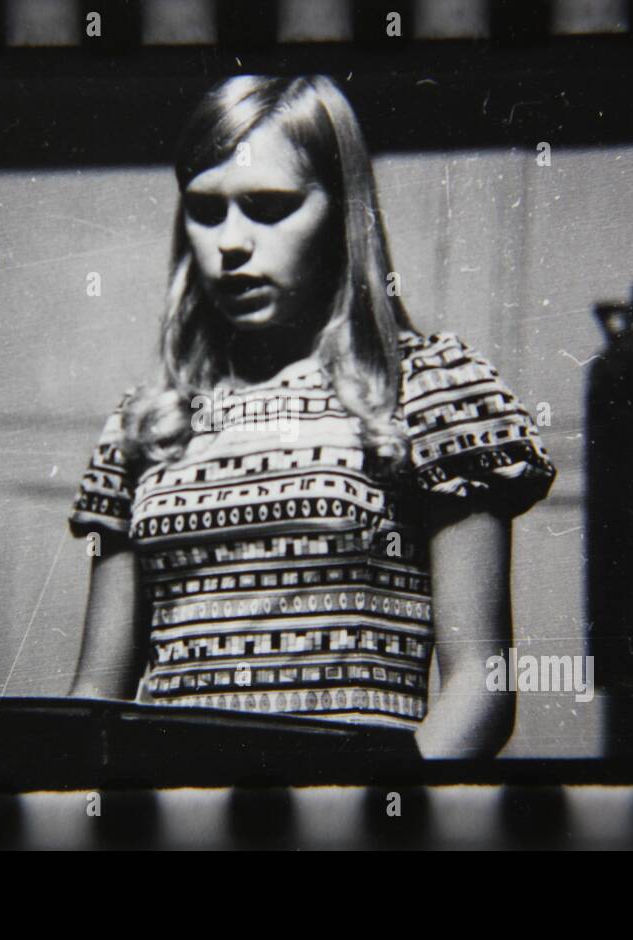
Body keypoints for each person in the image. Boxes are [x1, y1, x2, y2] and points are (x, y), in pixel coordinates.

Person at [66, 74, 555, 758]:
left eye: (269, 207)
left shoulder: (428, 390)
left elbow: (482, 683)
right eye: (206, 210)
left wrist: (386, 812)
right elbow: (96, 693)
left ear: (342, 211)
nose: (231, 242)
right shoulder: (145, 424)